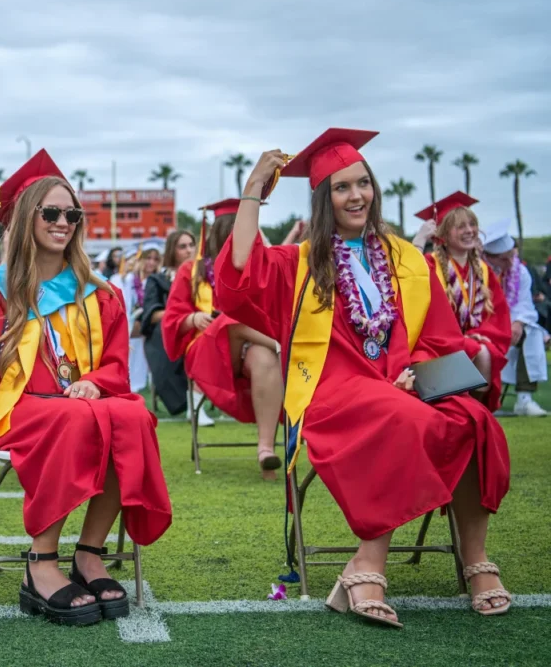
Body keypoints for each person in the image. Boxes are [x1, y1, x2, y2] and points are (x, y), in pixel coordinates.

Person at [215, 129, 511, 628]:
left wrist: (416, 374)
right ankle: (369, 562)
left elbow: (438, 337)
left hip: (405, 387)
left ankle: (474, 559)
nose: (356, 196)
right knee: (395, 416)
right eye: (341, 187)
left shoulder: (409, 261)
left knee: (473, 419)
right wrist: (252, 192)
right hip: (333, 393)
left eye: (363, 184)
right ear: (323, 199)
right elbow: (238, 272)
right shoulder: (301, 263)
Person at [0, 149, 172, 626]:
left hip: (84, 406)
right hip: (20, 410)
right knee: (79, 417)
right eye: (50, 212)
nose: (63, 222)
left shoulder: (100, 292)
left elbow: (117, 365)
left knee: (132, 416)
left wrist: (95, 383)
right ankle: (41, 562)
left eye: (71, 214)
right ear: (26, 217)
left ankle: (89, 554)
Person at [162, 200, 283, 479]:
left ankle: (266, 450)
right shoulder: (190, 272)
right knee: (227, 321)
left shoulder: (260, 270)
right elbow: (171, 318)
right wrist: (192, 319)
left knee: (265, 360)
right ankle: (281, 344)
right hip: (207, 351)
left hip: (250, 347)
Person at [411, 193, 511, 410]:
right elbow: (409, 286)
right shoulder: (429, 265)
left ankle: (475, 416)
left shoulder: (483, 271)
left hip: (472, 340)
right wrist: (419, 241)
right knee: (480, 352)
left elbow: (498, 316)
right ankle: (470, 415)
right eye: (460, 226)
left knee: (484, 351)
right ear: (443, 235)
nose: (469, 231)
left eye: (472, 224)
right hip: (437, 341)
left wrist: (482, 334)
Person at [483, 220, 550, 416]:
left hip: (511, 322)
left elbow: (524, 304)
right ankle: (481, 400)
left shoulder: (519, 271)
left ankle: (524, 398)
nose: (510, 263)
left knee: (532, 332)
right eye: (504, 259)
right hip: (482, 325)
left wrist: (518, 323)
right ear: (489, 258)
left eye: (512, 256)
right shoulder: (478, 271)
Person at [141, 229, 202, 418]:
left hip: (198, 328)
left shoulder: (203, 277)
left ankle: (198, 402)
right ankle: (191, 404)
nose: (189, 250)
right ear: (171, 251)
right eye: (182, 246)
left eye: (192, 245)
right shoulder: (158, 280)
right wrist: (179, 316)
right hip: (167, 333)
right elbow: (150, 315)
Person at [110, 243, 161, 393]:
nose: (151, 262)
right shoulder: (128, 279)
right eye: (148, 258)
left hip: (149, 329)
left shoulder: (159, 280)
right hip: (129, 327)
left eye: (155, 259)